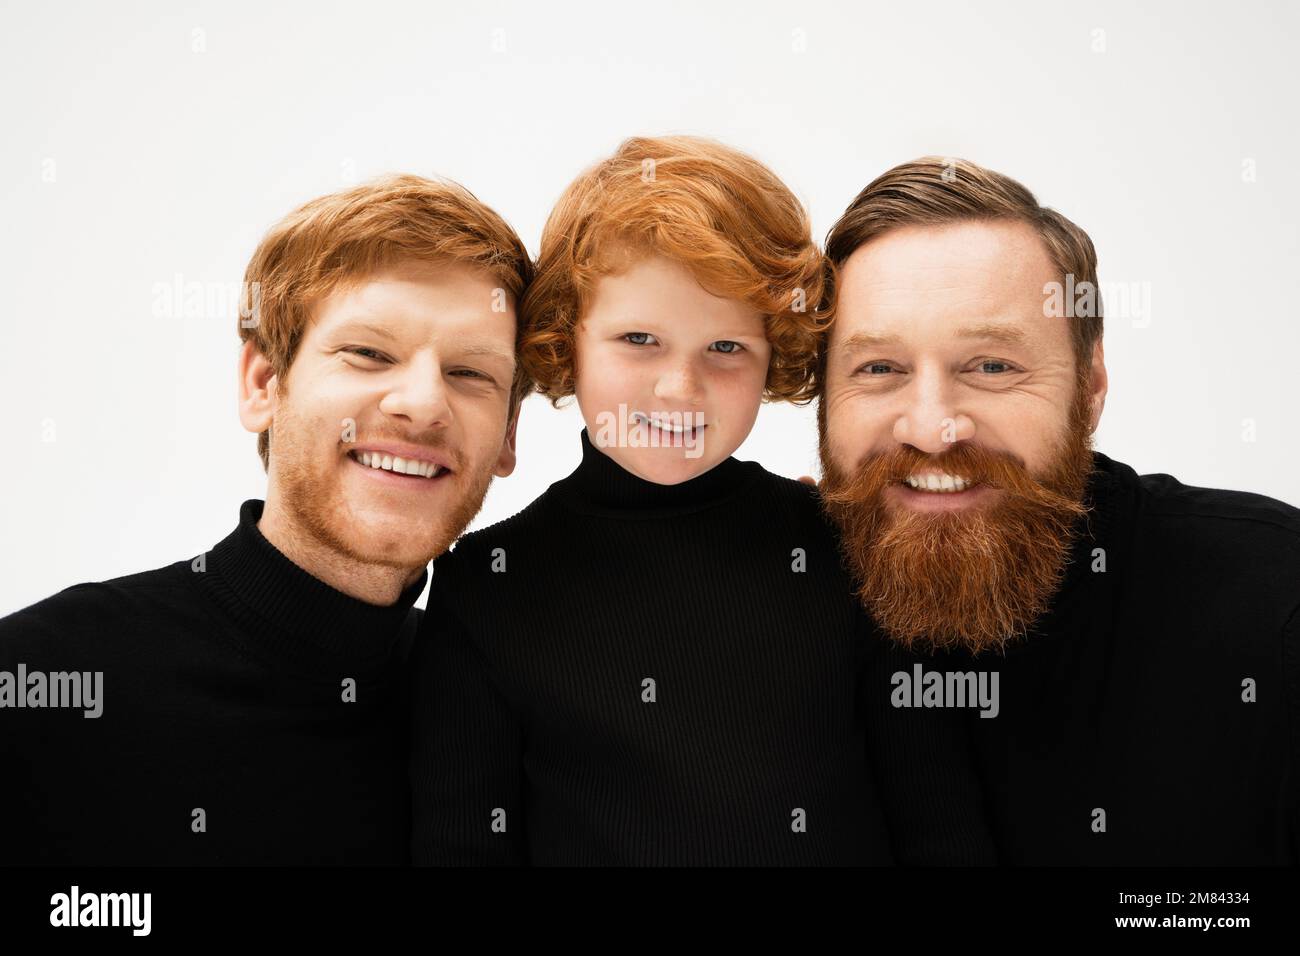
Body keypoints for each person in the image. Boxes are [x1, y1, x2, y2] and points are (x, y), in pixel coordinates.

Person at [409, 136, 995, 865]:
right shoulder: (487, 585)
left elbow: (939, 823)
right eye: (639, 339)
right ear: (567, 338)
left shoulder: (847, 548)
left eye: (725, 349)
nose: (679, 388)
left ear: (774, 354)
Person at [0, 174, 531, 864]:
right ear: (262, 385)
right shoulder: (39, 682)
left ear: (509, 435)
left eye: (470, 373)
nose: (424, 404)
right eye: (369, 353)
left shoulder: (503, 717)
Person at [816, 156, 1300, 865]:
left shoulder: (1275, 604)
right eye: (879, 370)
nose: (930, 428)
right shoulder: (765, 605)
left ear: (1091, 385)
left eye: (992, 366)